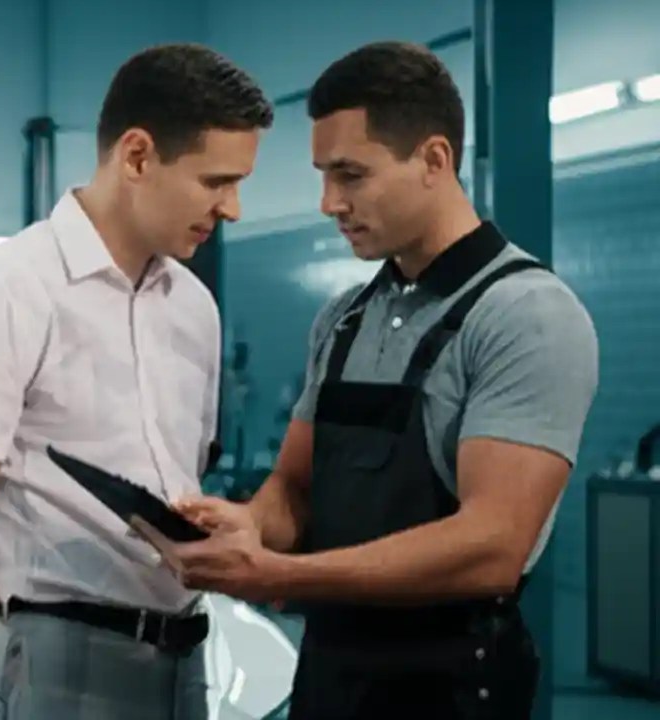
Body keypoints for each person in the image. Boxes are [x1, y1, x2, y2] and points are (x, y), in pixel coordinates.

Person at [168, 41, 599, 719]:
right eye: (322, 175)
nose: (328, 202)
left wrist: (283, 574)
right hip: (332, 677)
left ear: (434, 160)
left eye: (351, 175)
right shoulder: (344, 318)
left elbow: (492, 545)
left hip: (450, 689)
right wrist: (244, 528)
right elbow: (293, 489)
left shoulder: (527, 315)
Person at [0, 43, 273, 719]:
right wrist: (11, 661)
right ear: (136, 156)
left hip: (186, 659)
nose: (233, 208)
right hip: (55, 661)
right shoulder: (0, 296)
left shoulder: (194, 308)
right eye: (217, 181)